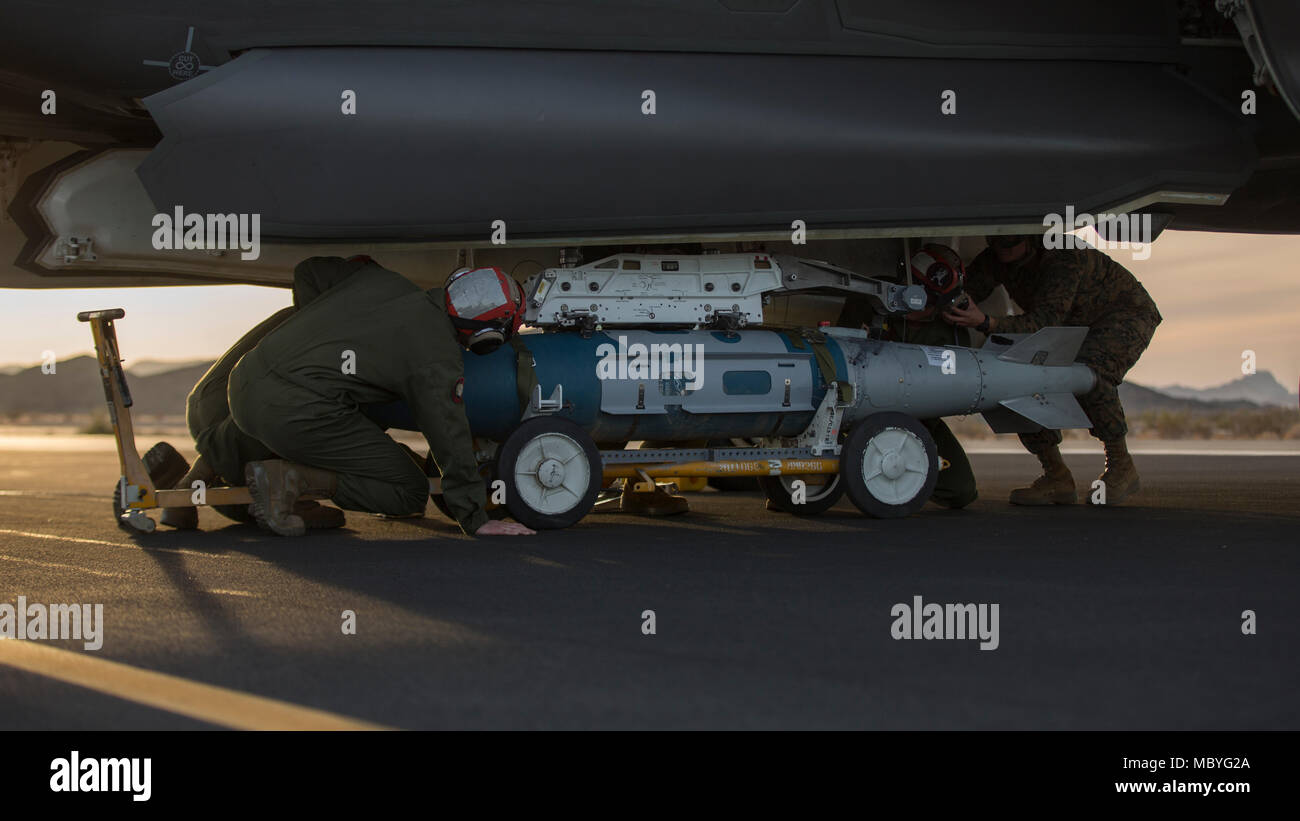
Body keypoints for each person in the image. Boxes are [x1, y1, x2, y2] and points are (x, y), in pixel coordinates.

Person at [225, 256, 536, 537]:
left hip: (242, 381)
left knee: (359, 413)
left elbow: (310, 272)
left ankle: (227, 469)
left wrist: (316, 335)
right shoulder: (436, 358)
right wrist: (475, 518)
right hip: (292, 412)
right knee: (408, 491)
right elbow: (448, 435)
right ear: (488, 337)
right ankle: (291, 480)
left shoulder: (383, 281)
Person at [942, 234, 1161, 506]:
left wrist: (987, 322)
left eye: (1010, 243)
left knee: (1090, 374)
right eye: (996, 243)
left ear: (1031, 239)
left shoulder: (1062, 257)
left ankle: (1121, 466)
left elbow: (1045, 323)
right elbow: (967, 290)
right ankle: (1056, 476)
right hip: (1070, 325)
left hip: (1124, 314)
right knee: (1015, 377)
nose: (1002, 249)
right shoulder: (996, 257)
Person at [882, 244, 978, 509]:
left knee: (959, 490)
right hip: (846, 418)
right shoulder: (870, 301)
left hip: (918, 419)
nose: (926, 309)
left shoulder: (950, 328)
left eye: (934, 302)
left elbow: (957, 382)